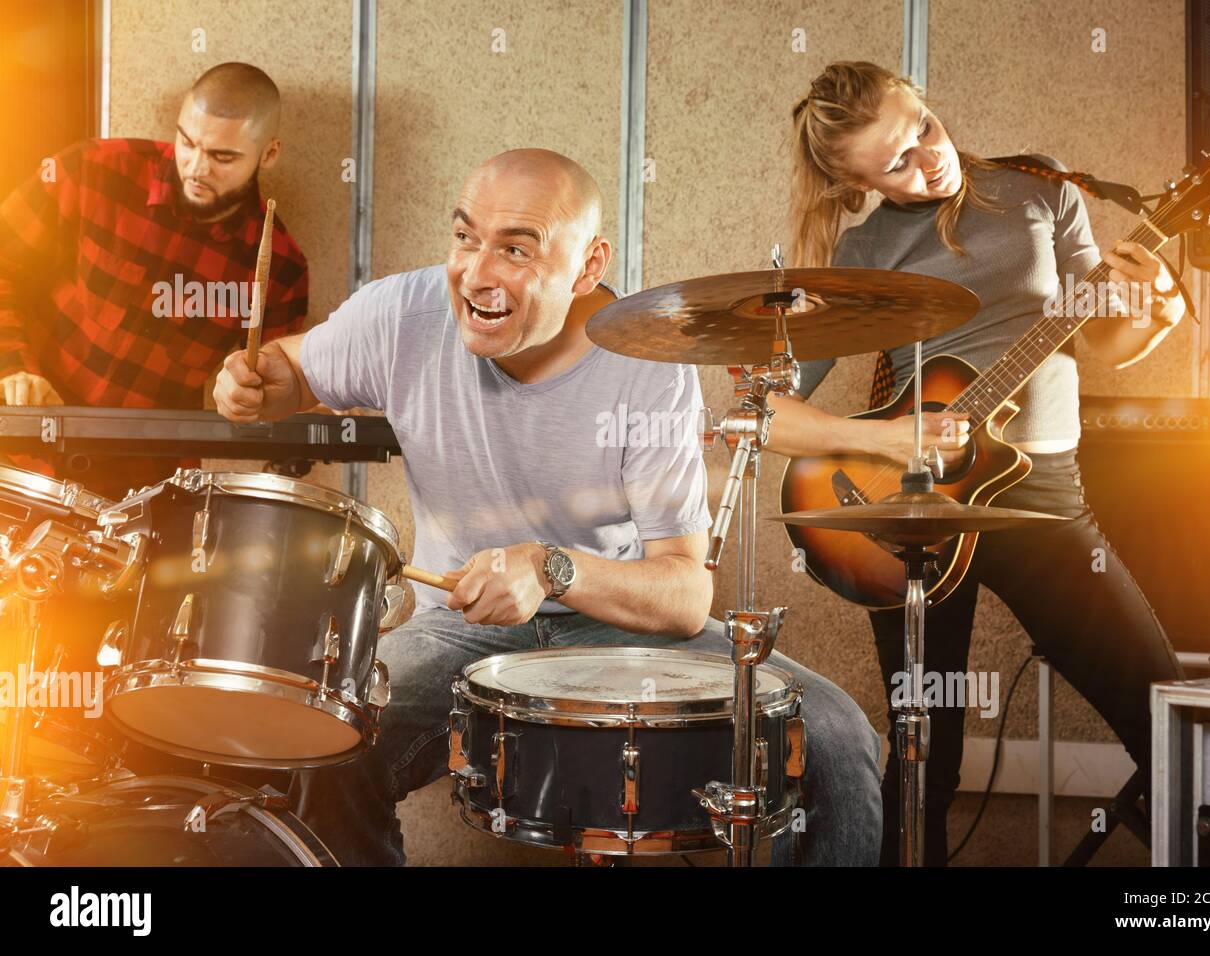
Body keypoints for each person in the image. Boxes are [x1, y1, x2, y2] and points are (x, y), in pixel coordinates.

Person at [213, 147, 883, 866]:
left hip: (620, 626)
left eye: (516, 250)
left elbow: (686, 594)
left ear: (589, 266)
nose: (476, 273)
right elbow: (292, 366)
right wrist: (254, 383)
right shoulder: (402, 315)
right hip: (456, 628)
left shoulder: (650, 363)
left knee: (840, 743)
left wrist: (548, 568)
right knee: (329, 740)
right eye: (466, 237)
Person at [765, 61, 1185, 865]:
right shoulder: (861, 254)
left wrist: (1156, 310)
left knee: (1163, 713)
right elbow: (767, 413)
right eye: (895, 162)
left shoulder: (1040, 191)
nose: (931, 157)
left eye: (923, 125)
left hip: (1043, 495)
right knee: (927, 755)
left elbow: (1102, 337)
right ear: (851, 183)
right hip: (909, 509)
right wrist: (888, 443)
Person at [0, 61, 307, 497]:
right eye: (187, 142)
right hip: (20, 453)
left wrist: (277, 395)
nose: (197, 167)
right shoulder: (93, 171)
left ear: (269, 153)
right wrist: (12, 365)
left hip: (145, 492)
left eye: (223, 156)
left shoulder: (280, 268)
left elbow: (273, 389)